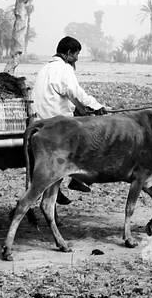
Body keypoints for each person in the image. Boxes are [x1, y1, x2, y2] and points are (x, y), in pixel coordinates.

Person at [31, 36, 107, 195]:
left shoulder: (45, 68)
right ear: (68, 53)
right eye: (76, 55)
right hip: (54, 121)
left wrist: (82, 108)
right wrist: (97, 106)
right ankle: (78, 179)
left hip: (38, 119)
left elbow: (70, 97)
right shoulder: (64, 69)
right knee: (90, 139)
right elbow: (75, 92)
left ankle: (58, 184)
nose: (77, 59)